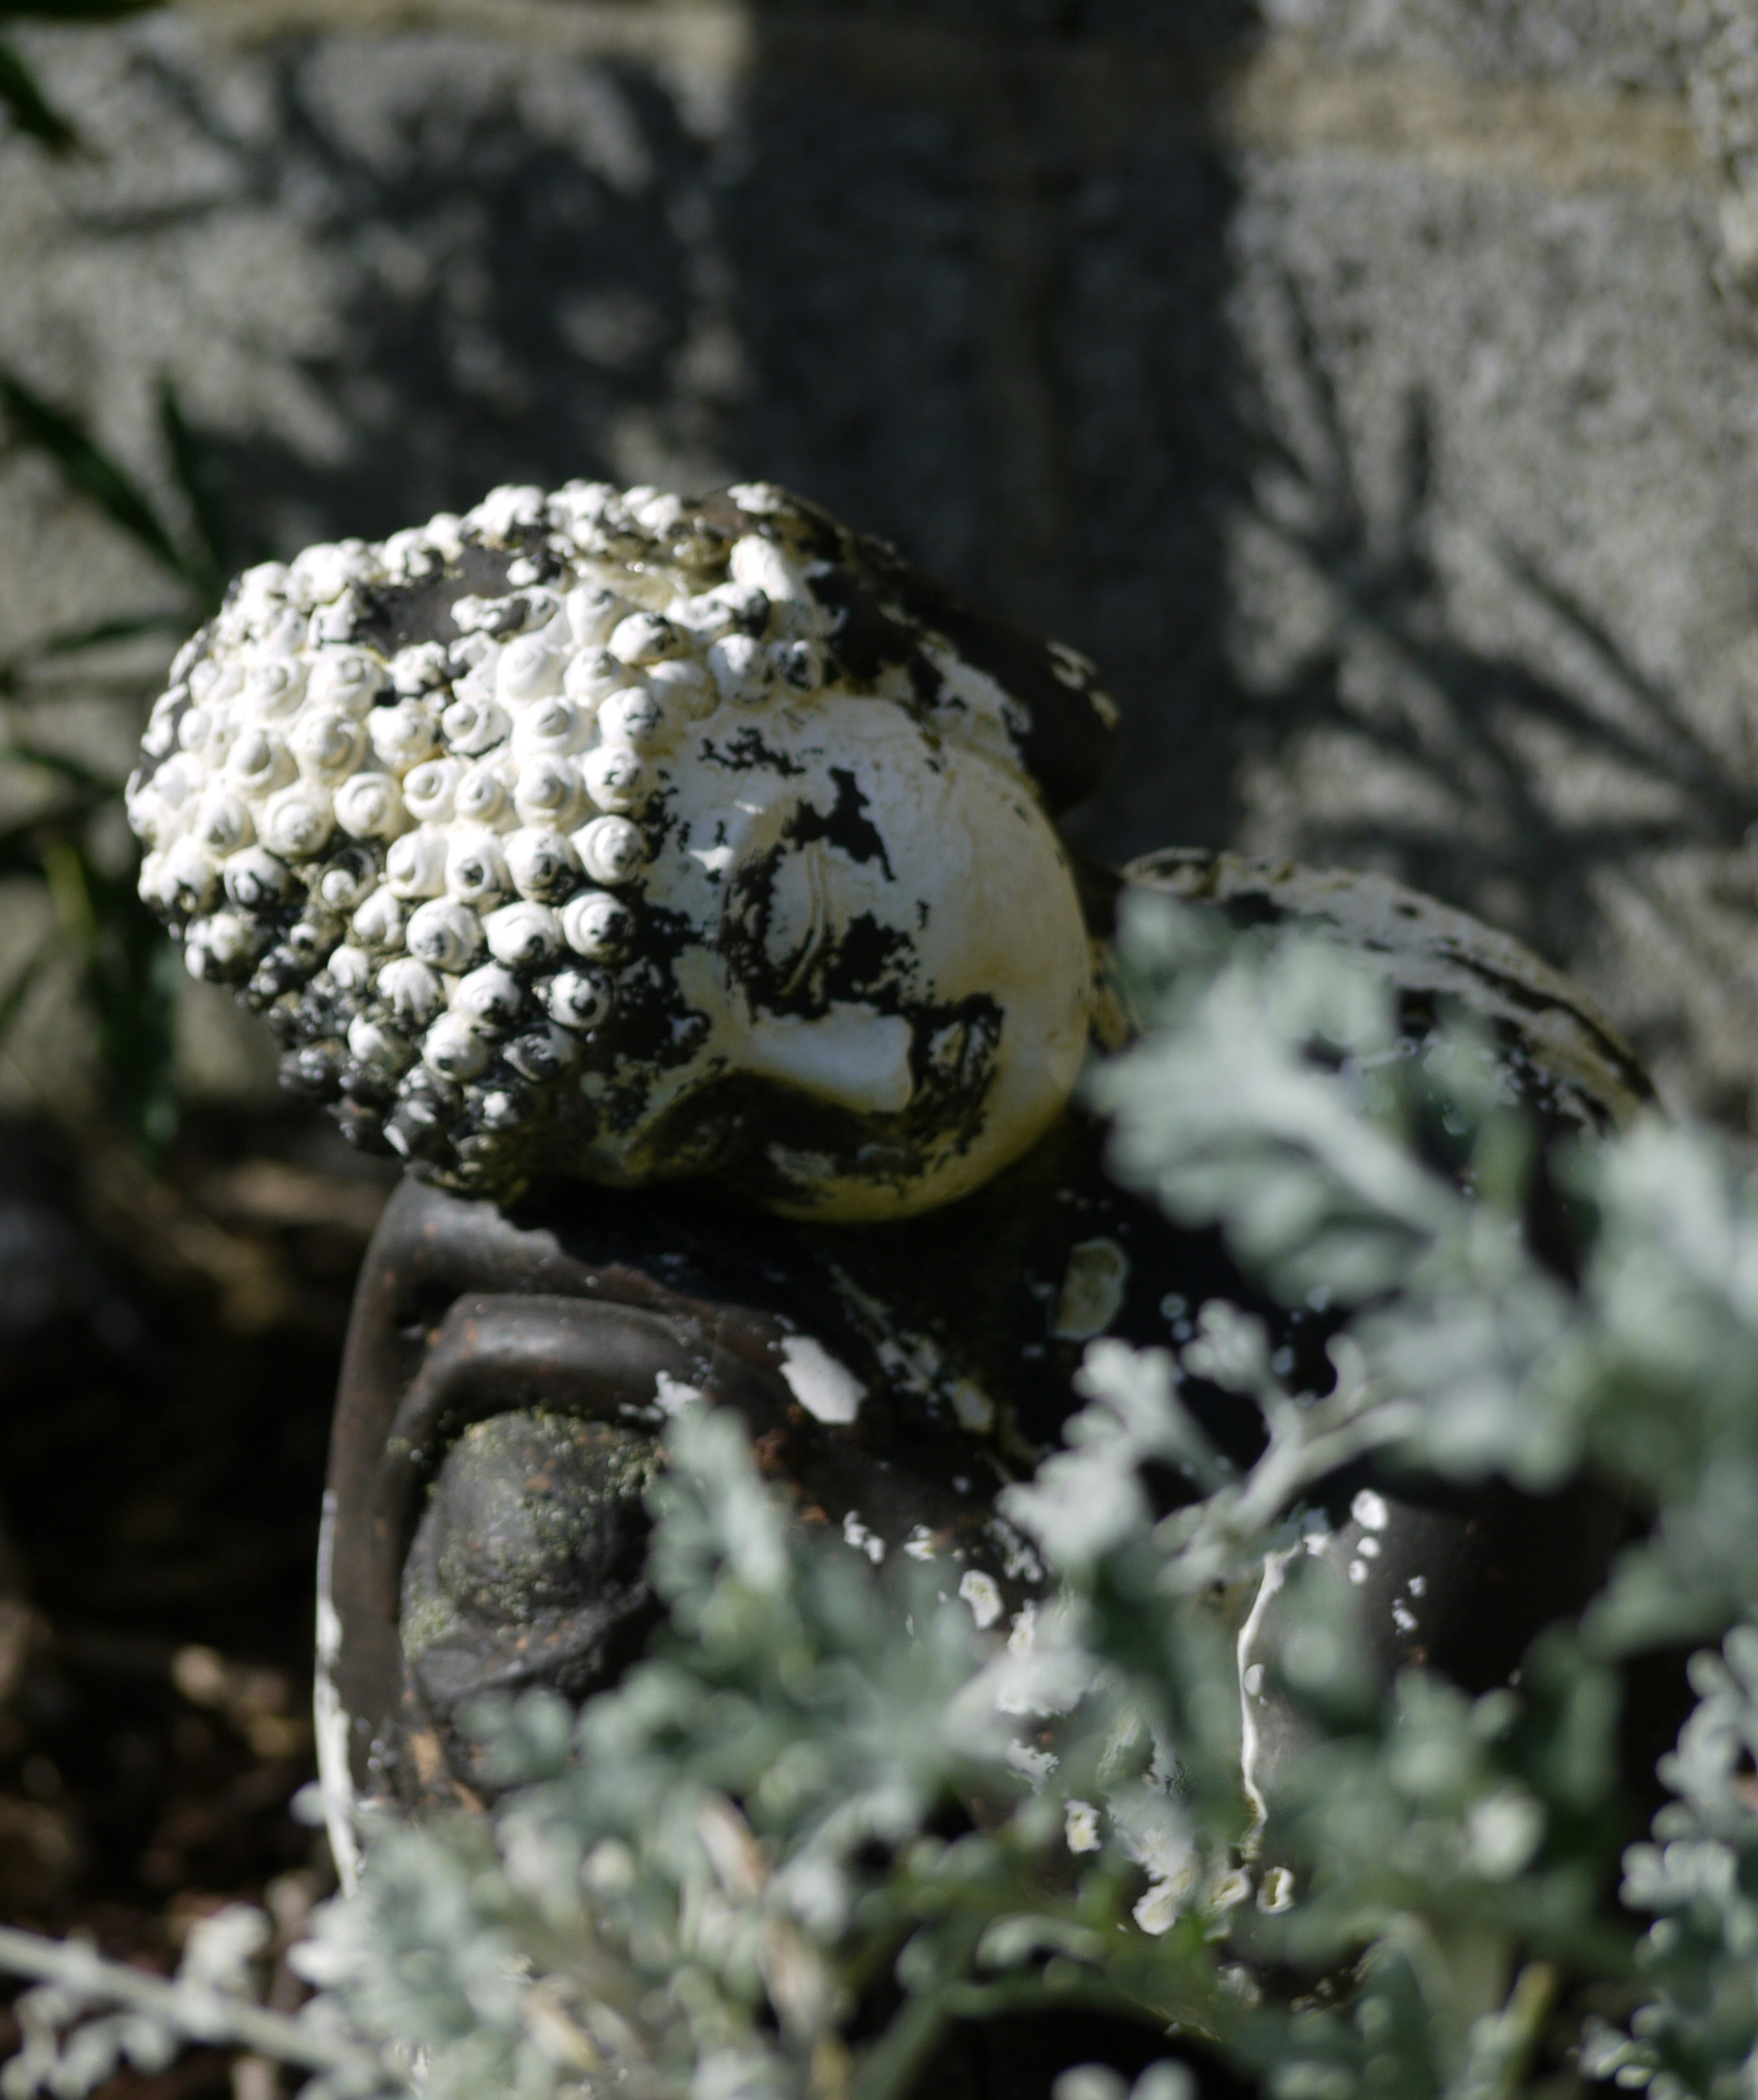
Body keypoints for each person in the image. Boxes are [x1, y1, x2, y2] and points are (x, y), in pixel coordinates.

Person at [127, 480, 1654, 1931]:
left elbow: (1327, 1925)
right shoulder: (701, 1288)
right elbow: (483, 1928)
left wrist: (873, 1499)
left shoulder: (1403, 1118)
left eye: (795, 920)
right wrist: (394, 1389)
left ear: (907, 668)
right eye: (714, 1125)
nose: (863, 1079)